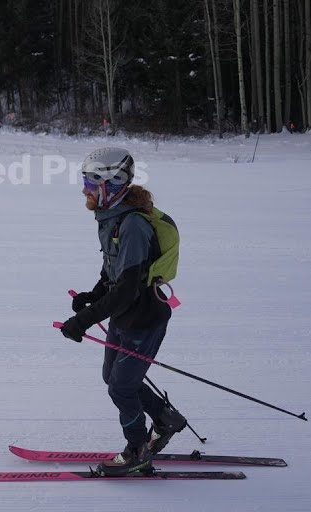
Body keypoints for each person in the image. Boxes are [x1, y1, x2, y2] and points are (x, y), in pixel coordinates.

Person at [59, 146, 187, 477]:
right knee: (113, 378)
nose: (84, 189)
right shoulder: (113, 219)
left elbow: (129, 287)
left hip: (144, 319)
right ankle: (165, 418)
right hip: (126, 315)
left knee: (121, 387)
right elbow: (114, 272)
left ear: (111, 184)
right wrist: (94, 294)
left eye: (90, 181)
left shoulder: (132, 225)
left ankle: (137, 453)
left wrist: (82, 322)